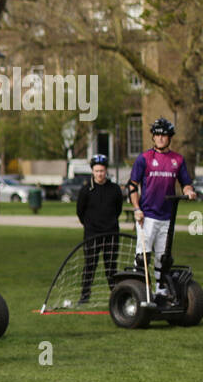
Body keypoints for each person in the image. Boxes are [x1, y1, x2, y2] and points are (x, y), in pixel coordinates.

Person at [128, 117, 196, 296]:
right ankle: (141, 292)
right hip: (147, 215)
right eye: (157, 135)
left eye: (164, 135)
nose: (160, 138)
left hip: (167, 217)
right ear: (153, 137)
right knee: (142, 256)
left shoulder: (177, 160)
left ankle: (160, 290)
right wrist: (136, 208)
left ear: (169, 137)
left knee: (163, 258)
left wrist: (189, 191)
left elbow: (186, 183)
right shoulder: (144, 158)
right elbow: (132, 185)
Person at [76, 154, 123, 304]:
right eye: (96, 171)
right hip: (92, 233)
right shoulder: (85, 190)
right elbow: (80, 211)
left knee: (111, 267)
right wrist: (90, 225)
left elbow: (118, 209)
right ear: (92, 171)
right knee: (90, 265)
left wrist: (109, 223)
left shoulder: (114, 189)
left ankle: (116, 296)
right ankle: (85, 296)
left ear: (106, 171)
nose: (99, 174)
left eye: (102, 171)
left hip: (111, 233)